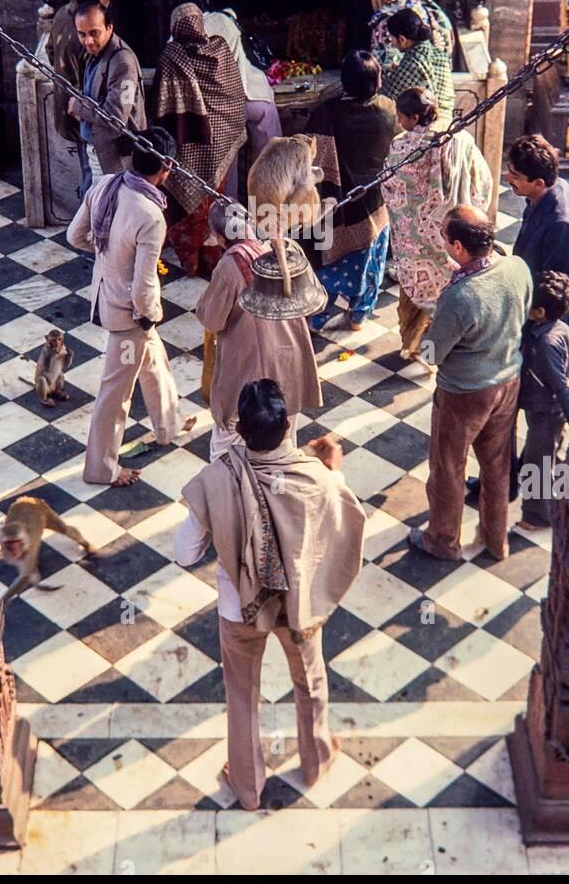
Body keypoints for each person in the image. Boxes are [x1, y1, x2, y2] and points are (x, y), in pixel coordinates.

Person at [174, 378, 365, 811]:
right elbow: (348, 520)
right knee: (310, 682)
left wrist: (215, 520)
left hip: (238, 609)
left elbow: (184, 554)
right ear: (286, 426)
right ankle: (316, 760)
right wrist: (336, 472)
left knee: (242, 695)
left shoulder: (216, 481)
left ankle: (247, 787)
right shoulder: (316, 476)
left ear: (239, 428)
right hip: (300, 609)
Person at [67, 126, 195, 486]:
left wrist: (108, 254)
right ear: (166, 167)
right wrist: (150, 314)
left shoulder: (105, 185)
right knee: (115, 394)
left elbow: (75, 236)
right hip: (129, 316)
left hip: (105, 295)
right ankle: (101, 469)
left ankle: (168, 423)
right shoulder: (151, 216)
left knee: (154, 360)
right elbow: (143, 286)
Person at [410, 205, 532, 562]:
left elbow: (432, 354)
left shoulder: (459, 297)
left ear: (459, 248)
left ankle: (442, 541)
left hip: (463, 393)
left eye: (446, 237)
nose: (443, 242)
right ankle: (497, 542)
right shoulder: (517, 267)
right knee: (496, 468)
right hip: (508, 381)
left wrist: (434, 322)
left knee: (449, 469)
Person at [194, 201, 322, 459]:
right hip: (290, 366)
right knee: (283, 446)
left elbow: (211, 320)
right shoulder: (288, 250)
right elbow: (319, 302)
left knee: (226, 452)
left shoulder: (230, 266)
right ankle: (277, 494)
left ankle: (232, 496)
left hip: (247, 375)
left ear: (219, 237)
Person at [382, 86, 494, 369]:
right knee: (447, 294)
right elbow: (482, 181)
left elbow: (390, 188)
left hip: (415, 245)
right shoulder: (460, 138)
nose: (399, 123)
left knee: (414, 296)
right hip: (450, 239)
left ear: (414, 117)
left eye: (401, 117)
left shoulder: (402, 147)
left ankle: (413, 345)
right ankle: (441, 348)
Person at [150, 2, 247, 277]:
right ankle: (213, 260)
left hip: (186, 149)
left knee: (191, 210)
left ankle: (192, 263)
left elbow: (161, 105)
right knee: (212, 204)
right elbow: (233, 99)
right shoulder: (220, 48)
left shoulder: (171, 55)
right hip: (219, 147)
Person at [307, 50, 397, 333]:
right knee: (370, 263)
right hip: (375, 203)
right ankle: (358, 316)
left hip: (335, 205)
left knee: (328, 262)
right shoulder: (388, 109)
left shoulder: (326, 113)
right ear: (376, 80)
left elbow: (311, 158)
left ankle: (317, 318)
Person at [516, 270, 569, 530]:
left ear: (540, 311)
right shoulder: (561, 327)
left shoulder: (545, 343)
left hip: (545, 410)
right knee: (541, 454)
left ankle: (537, 516)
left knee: (538, 463)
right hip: (544, 408)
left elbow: (560, 384)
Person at [507, 133, 569, 334]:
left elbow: (555, 284)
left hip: (543, 317)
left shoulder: (560, 223)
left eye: (515, 176)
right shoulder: (556, 185)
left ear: (538, 183)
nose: (508, 179)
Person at [69, 0, 146, 196]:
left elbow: (116, 115)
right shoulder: (94, 54)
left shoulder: (122, 61)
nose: (88, 41)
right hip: (95, 149)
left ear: (109, 27)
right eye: (82, 34)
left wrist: (79, 108)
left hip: (114, 157)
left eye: (94, 33)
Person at [49, 0, 112, 192]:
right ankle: (87, 221)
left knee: (88, 168)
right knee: (93, 173)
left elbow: (50, 51)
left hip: (67, 105)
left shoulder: (61, 14)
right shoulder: (88, 30)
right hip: (81, 110)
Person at [203, 8, 282, 164]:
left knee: (226, 162)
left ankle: (229, 189)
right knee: (270, 138)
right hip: (249, 99)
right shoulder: (227, 20)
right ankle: (271, 180)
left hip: (214, 108)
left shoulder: (179, 28)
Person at [367, 0, 455, 83]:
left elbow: (384, 66)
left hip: (407, 90)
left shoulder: (385, 21)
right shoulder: (429, 7)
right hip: (441, 83)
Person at [381, 6, 455, 128]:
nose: (392, 44)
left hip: (431, 129)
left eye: (392, 39)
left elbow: (384, 96)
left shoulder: (412, 62)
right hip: (448, 124)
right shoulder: (439, 54)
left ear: (402, 39)